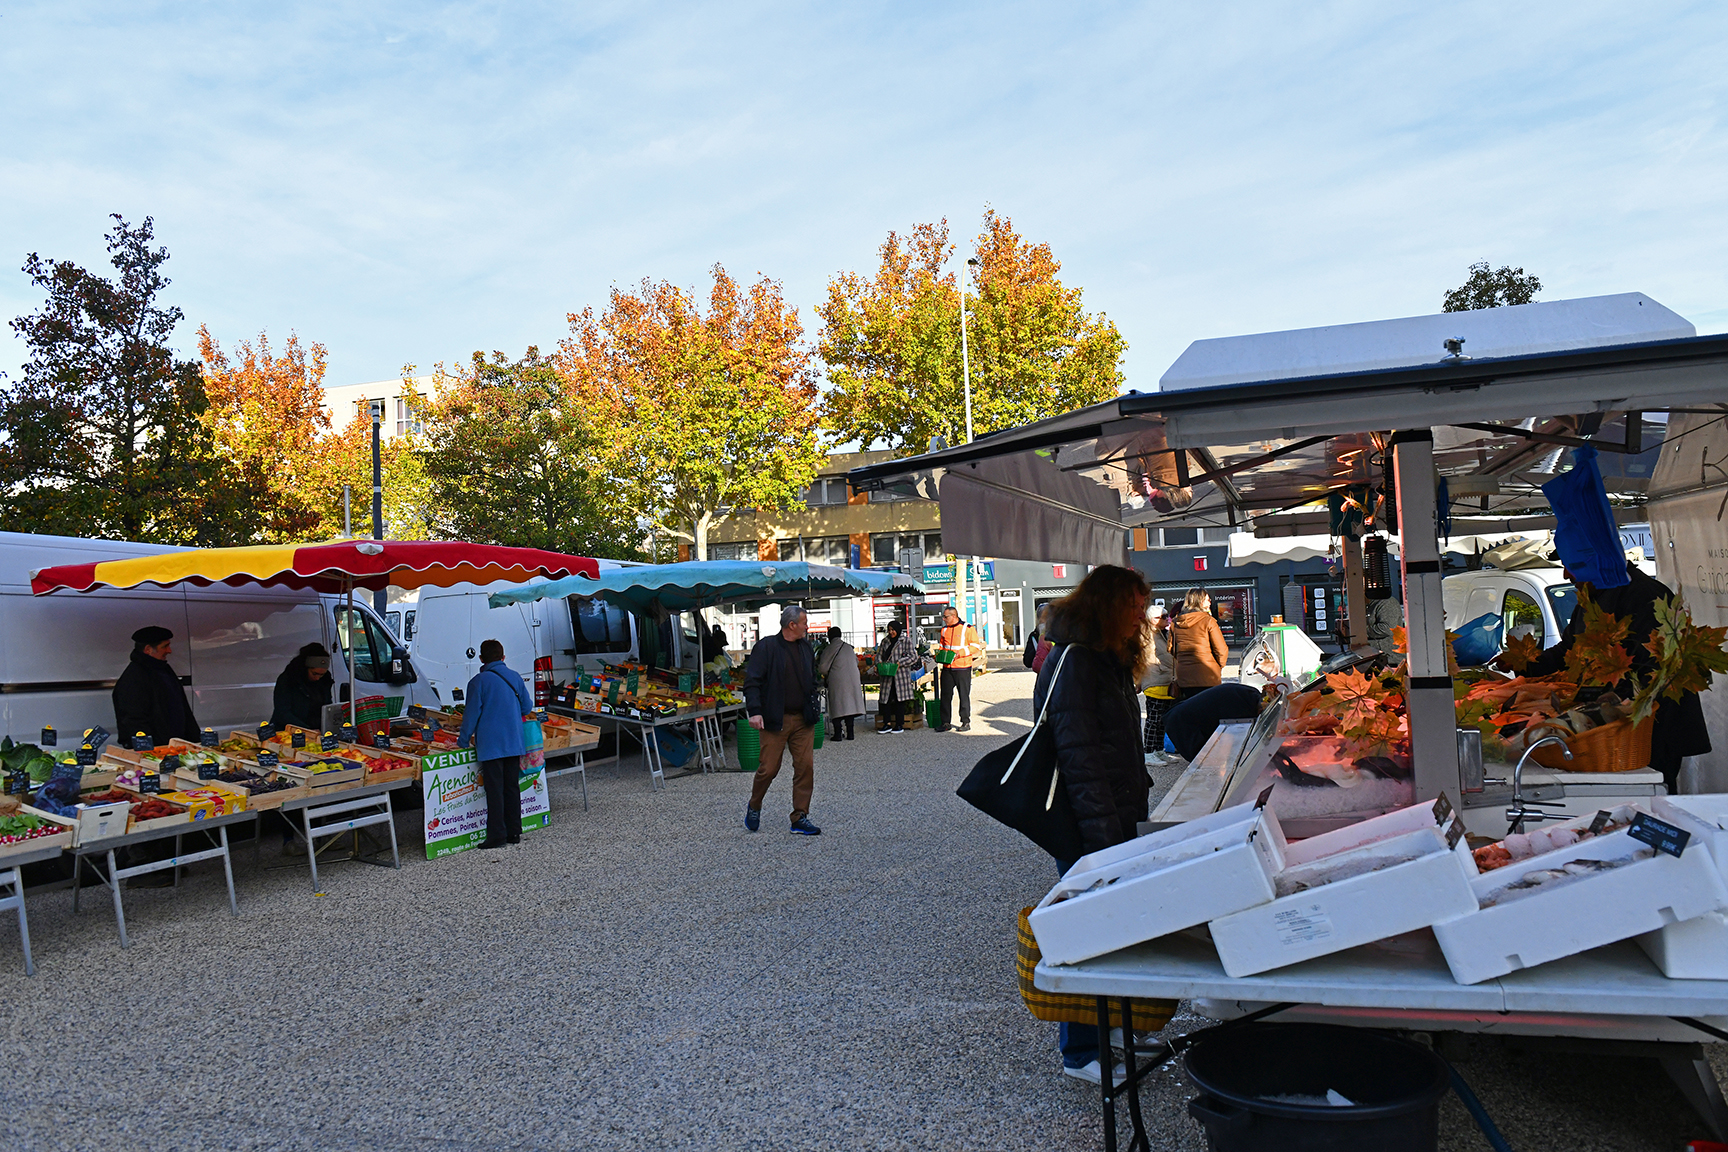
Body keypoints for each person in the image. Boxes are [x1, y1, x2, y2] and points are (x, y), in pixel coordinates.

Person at [1033, 564, 1153, 1084]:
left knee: (1114, 927)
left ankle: (1113, 1026)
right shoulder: (1078, 662)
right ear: (1107, 606)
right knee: (1084, 930)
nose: (1141, 617)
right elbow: (1078, 756)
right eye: (1133, 607)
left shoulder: (1107, 657)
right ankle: (1080, 1050)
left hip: (1115, 814)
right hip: (1090, 822)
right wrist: (1103, 838)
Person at [1524, 560, 1711, 792]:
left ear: (1594, 557)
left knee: (1650, 794)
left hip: (1651, 730)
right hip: (1615, 730)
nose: (1565, 575)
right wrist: (1527, 665)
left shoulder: (1645, 595)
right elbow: (1570, 648)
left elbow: (1654, 672)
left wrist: (1607, 703)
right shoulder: (1591, 597)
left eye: (1570, 564)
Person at [743, 605, 822, 835]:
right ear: (792, 625)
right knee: (768, 769)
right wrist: (755, 711)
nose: (807, 627)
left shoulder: (806, 648)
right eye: (804, 623)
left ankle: (800, 817)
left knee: (805, 767)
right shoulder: (767, 647)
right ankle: (754, 805)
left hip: (803, 720)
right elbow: (752, 681)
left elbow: (812, 678)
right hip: (774, 720)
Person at [456, 639, 534, 849]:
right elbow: (527, 708)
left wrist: (462, 741)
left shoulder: (477, 682)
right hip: (514, 742)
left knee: (494, 791)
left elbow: (470, 716)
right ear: (503, 657)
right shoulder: (516, 677)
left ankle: (496, 835)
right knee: (511, 787)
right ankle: (514, 832)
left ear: (481, 659)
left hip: (491, 746)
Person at [113, 625, 199, 748]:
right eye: (164, 646)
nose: (169, 651)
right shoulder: (134, 677)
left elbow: (182, 707)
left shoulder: (163, 669)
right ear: (148, 649)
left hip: (173, 745)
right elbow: (133, 719)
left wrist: (194, 739)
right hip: (158, 748)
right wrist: (149, 749)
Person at [1169, 588, 1229, 697]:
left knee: (1190, 709)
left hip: (1184, 675)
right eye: (1207, 600)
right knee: (1209, 709)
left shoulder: (1176, 623)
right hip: (1208, 675)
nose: (1210, 602)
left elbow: (1171, 648)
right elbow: (1221, 649)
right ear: (1200, 601)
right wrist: (1218, 666)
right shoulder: (1208, 621)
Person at [934, 606, 985, 732]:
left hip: (962, 667)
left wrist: (960, 653)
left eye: (946, 617)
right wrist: (938, 654)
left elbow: (975, 646)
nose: (944, 619)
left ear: (954, 616)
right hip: (947, 668)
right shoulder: (944, 630)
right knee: (945, 696)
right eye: (943, 617)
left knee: (963, 695)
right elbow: (942, 646)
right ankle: (945, 723)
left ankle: (965, 722)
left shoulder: (967, 628)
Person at [1141, 604, 1176, 763]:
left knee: (1162, 721)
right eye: (1159, 617)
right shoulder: (1146, 635)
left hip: (1167, 680)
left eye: (1165, 615)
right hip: (1155, 679)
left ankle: (1159, 749)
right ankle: (1148, 752)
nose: (1164, 619)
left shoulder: (1165, 633)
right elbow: (1139, 658)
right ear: (1150, 620)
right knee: (1153, 720)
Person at [816, 626, 865, 741]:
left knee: (837, 705)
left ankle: (838, 733)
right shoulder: (848, 647)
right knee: (849, 706)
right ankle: (850, 733)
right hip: (853, 678)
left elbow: (822, 668)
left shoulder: (829, 648)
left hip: (837, 679)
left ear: (829, 636)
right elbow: (856, 661)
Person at [271, 643, 333, 732]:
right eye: (314, 673)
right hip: (288, 732)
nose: (317, 678)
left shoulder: (325, 681)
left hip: (316, 731)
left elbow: (327, 707)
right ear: (305, 668)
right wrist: (307, 730)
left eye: (321, 675)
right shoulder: (287, 679)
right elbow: (282, 713)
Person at [875, 620, 918, 734]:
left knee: (900, 700)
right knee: (886, 699)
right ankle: (886, 723)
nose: (891, 632)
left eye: (893, 630)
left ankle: (899, 724)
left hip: (900, 675)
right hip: (887, 674)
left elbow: (914, 657)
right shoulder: (885, 641)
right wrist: (879, 663)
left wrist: (900, 662)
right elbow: (878, 655)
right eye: (889, 630)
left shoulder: (905, 641)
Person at [1365, 589, 1404, 658]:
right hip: (1373, 656)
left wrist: (1360, 631)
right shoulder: (1368, 604)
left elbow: (1387, 629)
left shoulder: (1386, 602)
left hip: (1389, 658)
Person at [1023, 604, 1053, 671]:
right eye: (1044, 617)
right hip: (1043, 674)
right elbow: (1027, 662)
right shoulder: (1034, 635)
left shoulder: (1057, 634)